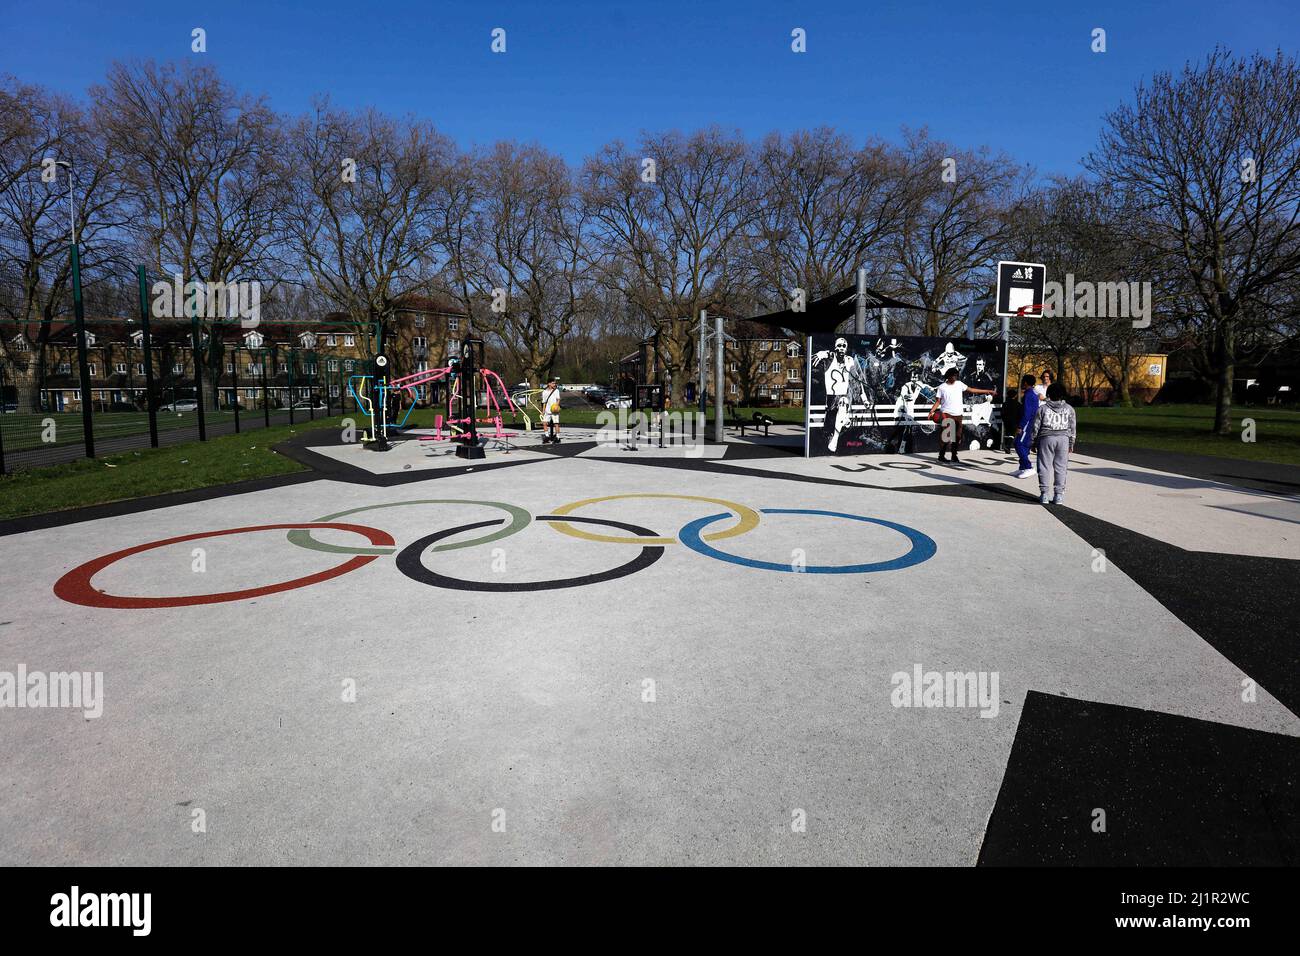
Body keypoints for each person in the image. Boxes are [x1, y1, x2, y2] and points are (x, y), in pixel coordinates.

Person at [928, 367, 996, 464]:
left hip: (958, 415)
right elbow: (938, 401)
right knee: (946, 436)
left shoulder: (959, 384)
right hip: (946, 414)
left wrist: (987, 391)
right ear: (948, 376)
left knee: (957, 437)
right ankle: (941, 456)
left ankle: (954, 456)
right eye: (953, 376)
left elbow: (972, 390)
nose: (955, 377)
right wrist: (932, 411)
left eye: (956, 376)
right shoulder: (942, 387)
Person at [1034, 382, 1076, 504]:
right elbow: (1073, 428)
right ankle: (1058, 495)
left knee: (1044, 466)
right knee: (1061, 467)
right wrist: (1071, 443)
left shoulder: (1043, 409)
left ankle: (1044, 494)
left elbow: (1036, 427)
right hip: (1063, 439)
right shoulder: (1069, 409)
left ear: (1049, 394)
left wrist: (1033, 442)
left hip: (1046, 438)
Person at [1013, 374, 1039, 477]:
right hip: (1030, 422)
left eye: (1023, 381)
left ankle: (1028, 467)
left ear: (1025, 383)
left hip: (1027, 423)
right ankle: (1022, 468)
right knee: (1023, 445)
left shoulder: (1028, 395)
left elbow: (1027, 412)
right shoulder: (1032, 393)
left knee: (1018, 443)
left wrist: (1020, 426)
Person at [540, 377, 563, 444]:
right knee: (544, 423)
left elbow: (558, 399)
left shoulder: (556, 391)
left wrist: (556, 406)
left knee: (556, 423)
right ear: (549, 384)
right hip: (547, 410)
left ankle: (558, 437)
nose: (554, 384)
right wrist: (543, 411)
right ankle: (547, 436)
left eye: (555, 383)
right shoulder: (544, 392)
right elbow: (544, 402)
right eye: (553, 383)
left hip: (554, 410)